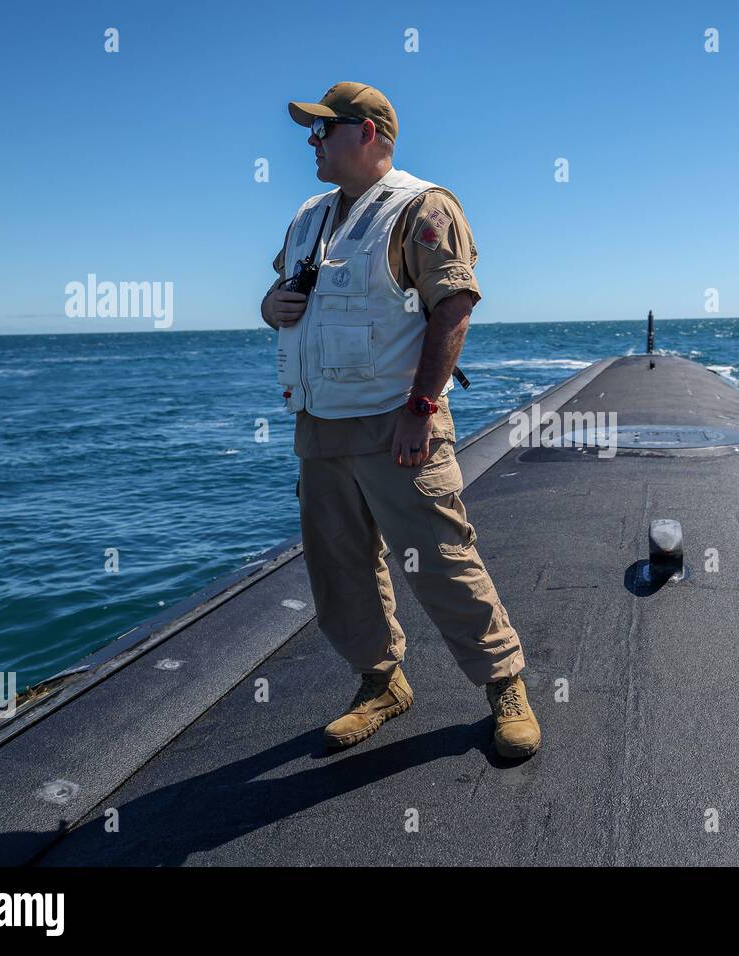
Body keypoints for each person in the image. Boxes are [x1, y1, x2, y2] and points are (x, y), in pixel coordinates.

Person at [260, 81, 539, 759]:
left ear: (371, 135)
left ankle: (506, 686)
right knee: (340, 566)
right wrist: (272, 306)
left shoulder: (422, 207)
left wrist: (420, 410)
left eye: (325, 129)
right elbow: (277, 291)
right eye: (313, 130)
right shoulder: (308, 217)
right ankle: (380, 682)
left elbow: (454, 306)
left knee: (442, 559)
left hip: (396, 421)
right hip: (320, 424)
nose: (312, 141)